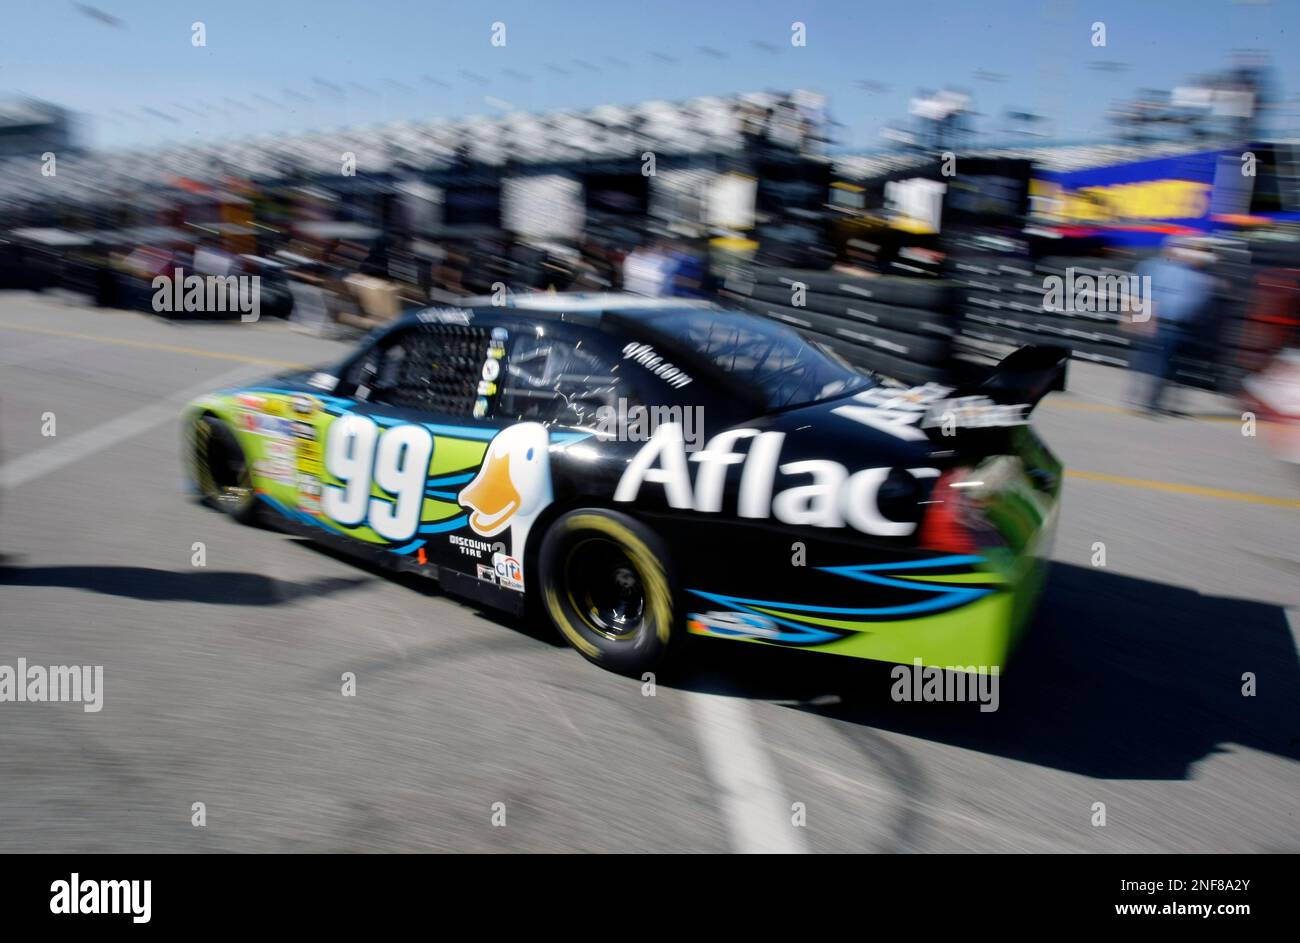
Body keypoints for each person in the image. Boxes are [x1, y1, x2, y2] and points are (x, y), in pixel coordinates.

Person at [1127, 237, 1217, 415]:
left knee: (1169, 365)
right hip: (1158, 320)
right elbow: (1138, 291)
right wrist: (1139, 318)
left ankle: (1152, 401)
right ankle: (1142, 399)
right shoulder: (1154, 266)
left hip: (1182, 326)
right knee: (1150, 362)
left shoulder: (1192, 272)